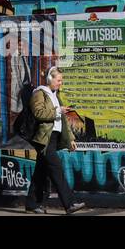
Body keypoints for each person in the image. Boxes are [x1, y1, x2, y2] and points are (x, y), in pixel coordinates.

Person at [24, 66, 86, 214]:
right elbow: (38, 113)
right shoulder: (39, 93)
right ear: (50, 79)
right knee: (56, 169)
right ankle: (69, 204)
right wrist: (57, 111)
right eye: (58, 80)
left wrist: (70, 138)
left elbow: (62, 121)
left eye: (61, 81)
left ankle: (32, 204)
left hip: (53, 137)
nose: (60, 83)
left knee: (41, 171)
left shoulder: (55, 96)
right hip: (44, 139)